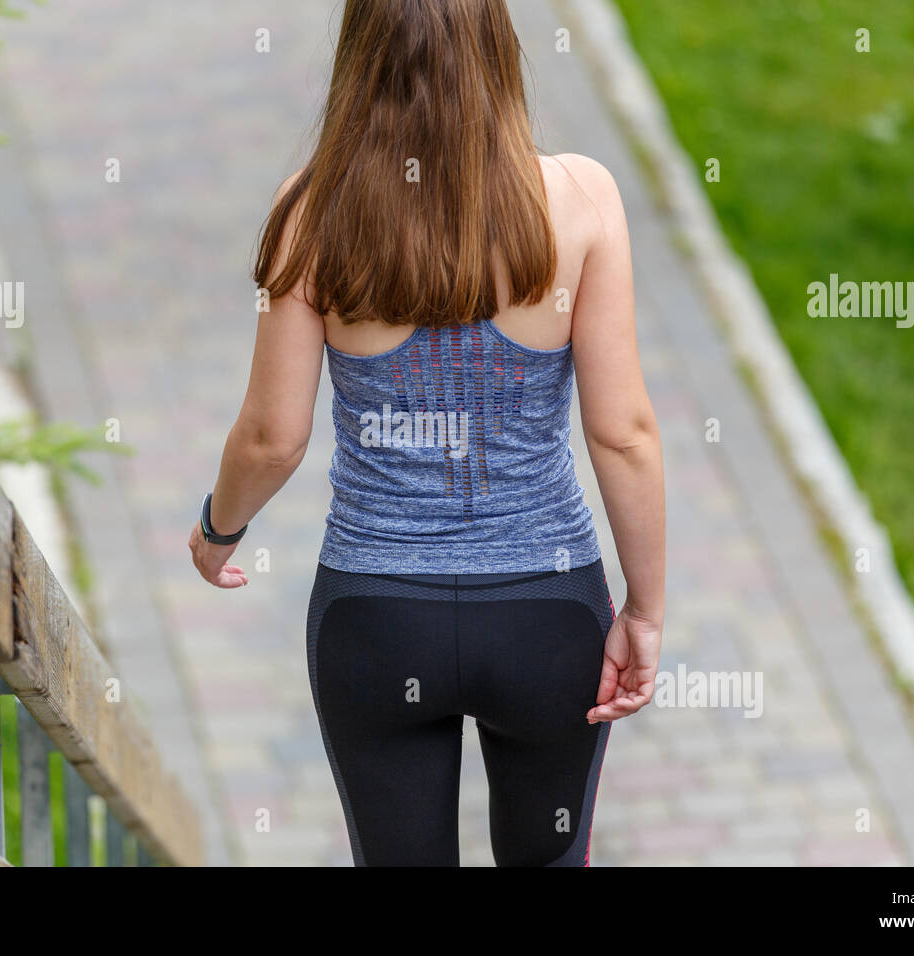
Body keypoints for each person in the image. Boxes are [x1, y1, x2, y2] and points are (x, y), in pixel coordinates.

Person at [189, 0, 664, 867]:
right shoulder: (584, 199)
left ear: (358, 58)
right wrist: (645, 608)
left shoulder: (310, 214)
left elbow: (273, 437)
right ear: (499, 50)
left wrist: (219, 527)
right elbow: (624, 434)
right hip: (548, 613)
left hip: (374, 618)